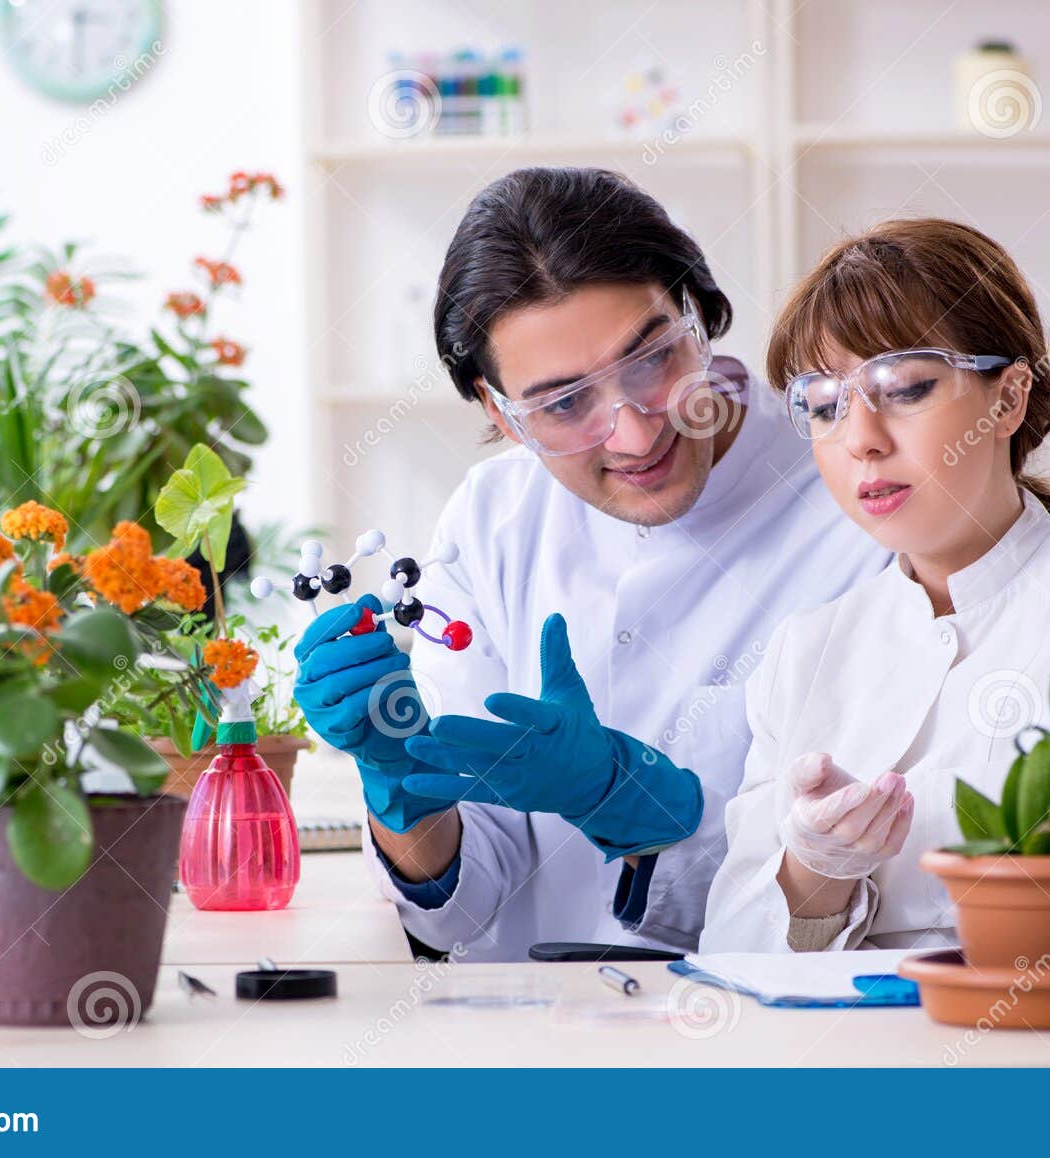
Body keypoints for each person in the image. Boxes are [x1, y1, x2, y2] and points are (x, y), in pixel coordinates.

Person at [292, 167, 888, 961]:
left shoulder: (856, 498)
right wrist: (401, 791)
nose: (636, 435)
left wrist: (633, 806)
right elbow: (457, 913)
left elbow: (870, 878)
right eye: (565, 403)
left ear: (698, 314)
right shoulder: (492, 518)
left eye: (651, 361)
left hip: (761, 1042)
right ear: (500, 411)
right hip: (529, 1039)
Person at [700, 218, 1050, 954]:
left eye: (904, 388)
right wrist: (818, 871)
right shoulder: (804, 649)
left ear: (1007, 399)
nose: (861, 438)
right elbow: (731, 954)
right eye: (823, 404)